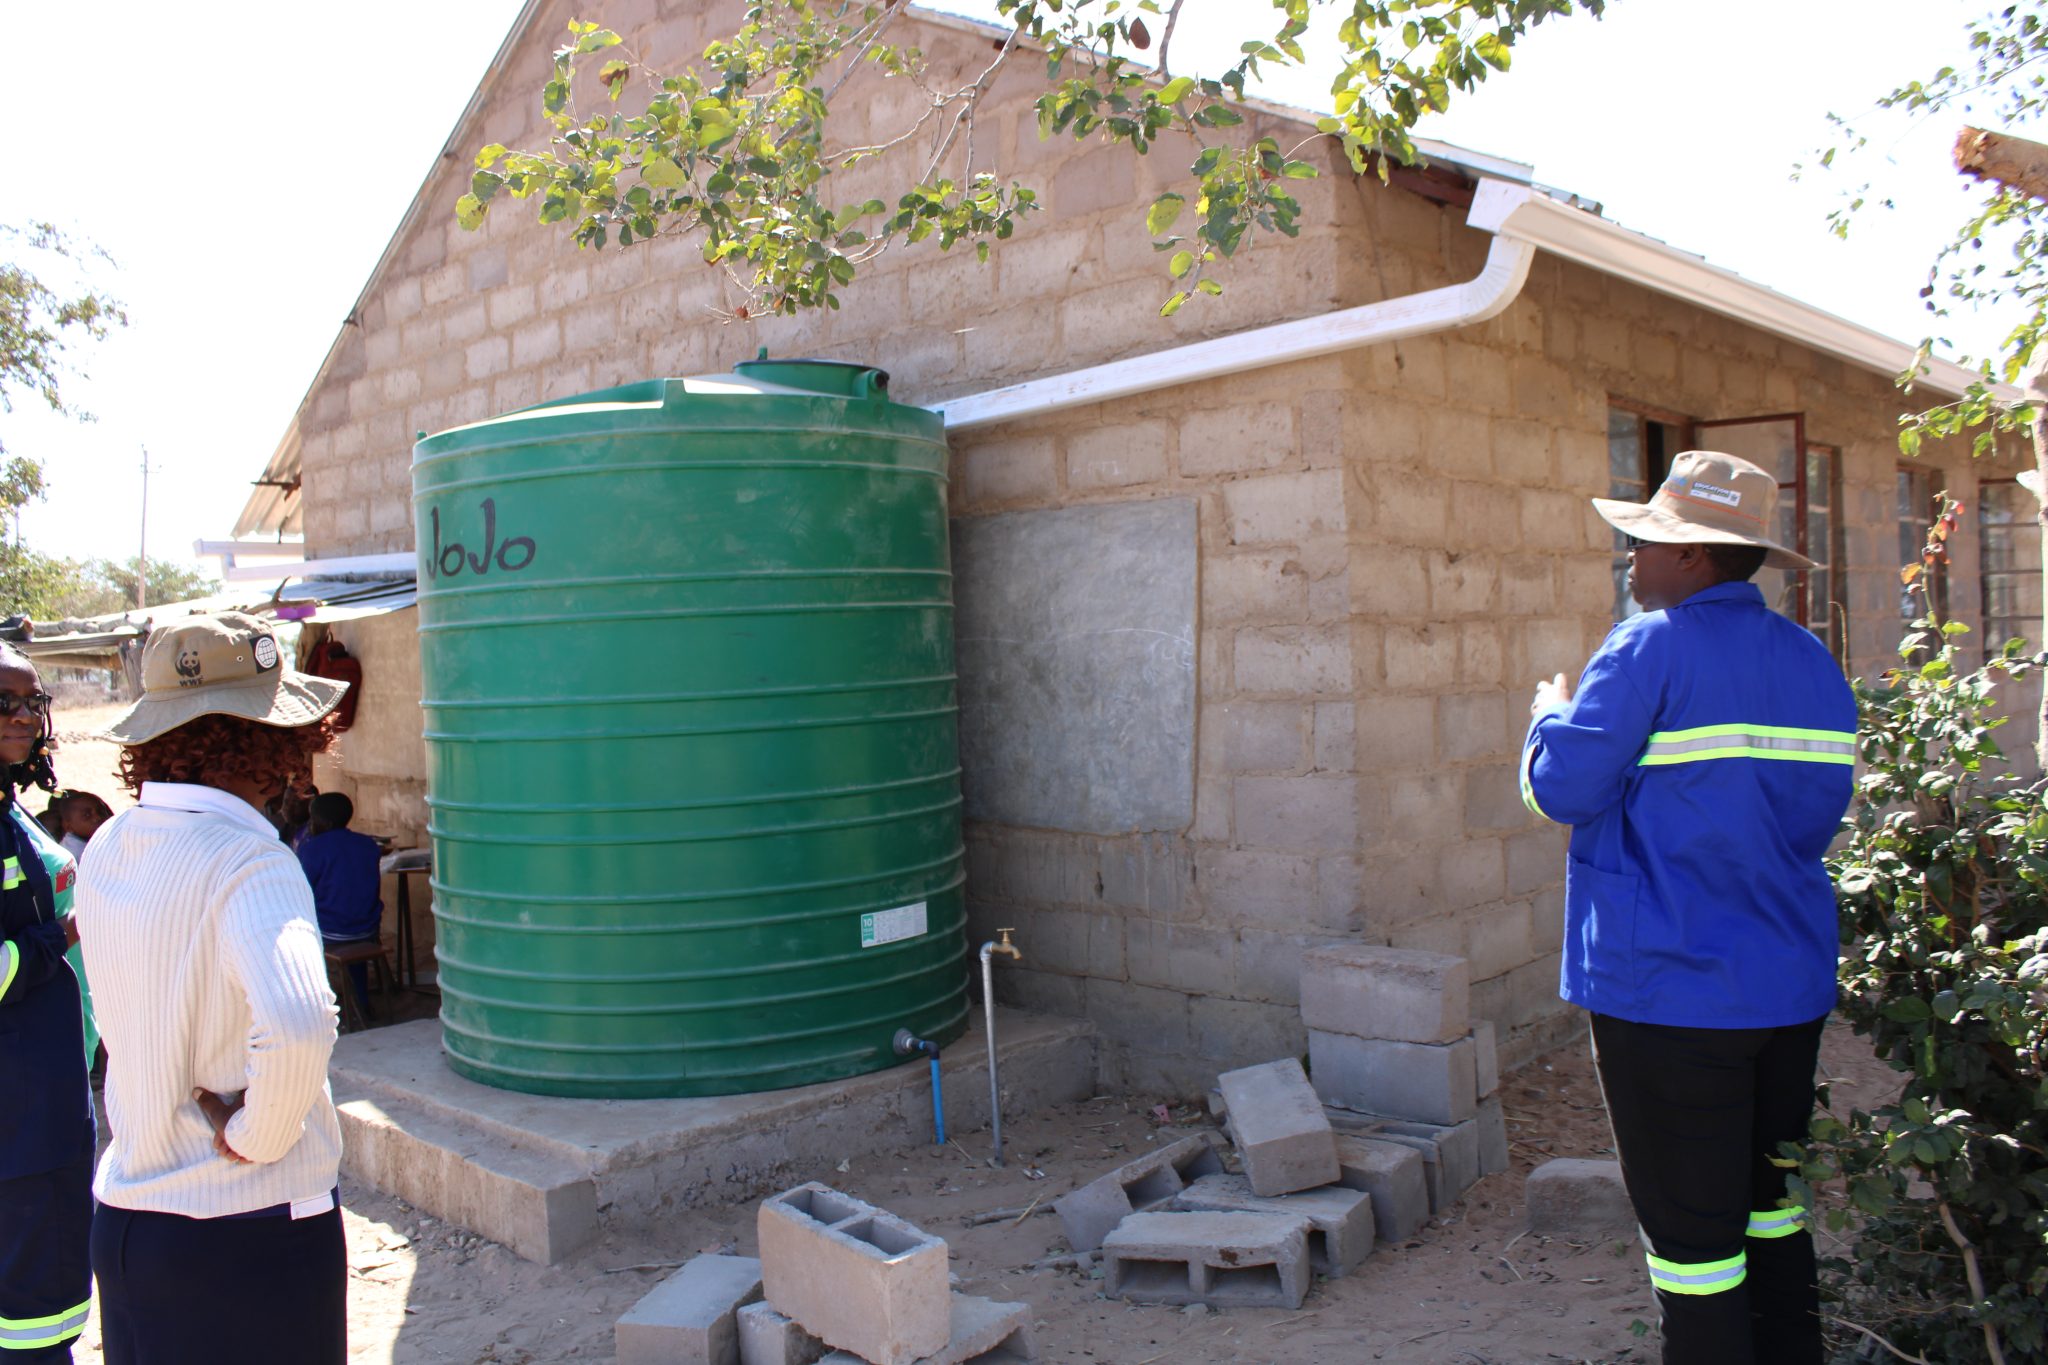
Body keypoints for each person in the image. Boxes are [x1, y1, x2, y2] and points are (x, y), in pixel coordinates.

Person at [1518, 450, 1856, 1365]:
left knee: (1695, 1256)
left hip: (1669, 996)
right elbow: (1815, 815)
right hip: (1783, 988)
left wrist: (1550, 713)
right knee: (1772, 1216)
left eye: (1649, 541)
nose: (1632, 556)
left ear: (1697, 558)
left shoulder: (1647, 647)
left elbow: (1563, 790)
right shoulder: (1811, 660)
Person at [76, 612, 350, 1365]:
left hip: (131, 1222)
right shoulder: (249, 861)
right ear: (265, 739)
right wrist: (254, 1134)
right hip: (249, 1233)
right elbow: (299, 1021)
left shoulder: (110, 845)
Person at [0, 649, 95, 1362]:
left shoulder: (10, 809)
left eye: (34, 703)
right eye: (7, 702)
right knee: (37, 1325)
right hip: (22, 1129)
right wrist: (58, 933)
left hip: (43, 1109)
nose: (25, 717)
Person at [296, 791, 385, 1012]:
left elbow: (303, 890)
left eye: (312, 818)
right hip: (368, 929)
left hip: (332, 932)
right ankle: (361, 999)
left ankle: (315, 1003)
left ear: (323, 822)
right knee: (352, 938)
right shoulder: (368, 845)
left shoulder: (311, 849)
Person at [57, 791, 111, 860]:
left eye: (101, 811)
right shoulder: (74, 854)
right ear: (68, 826)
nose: (98, 818)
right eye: (87, 815)